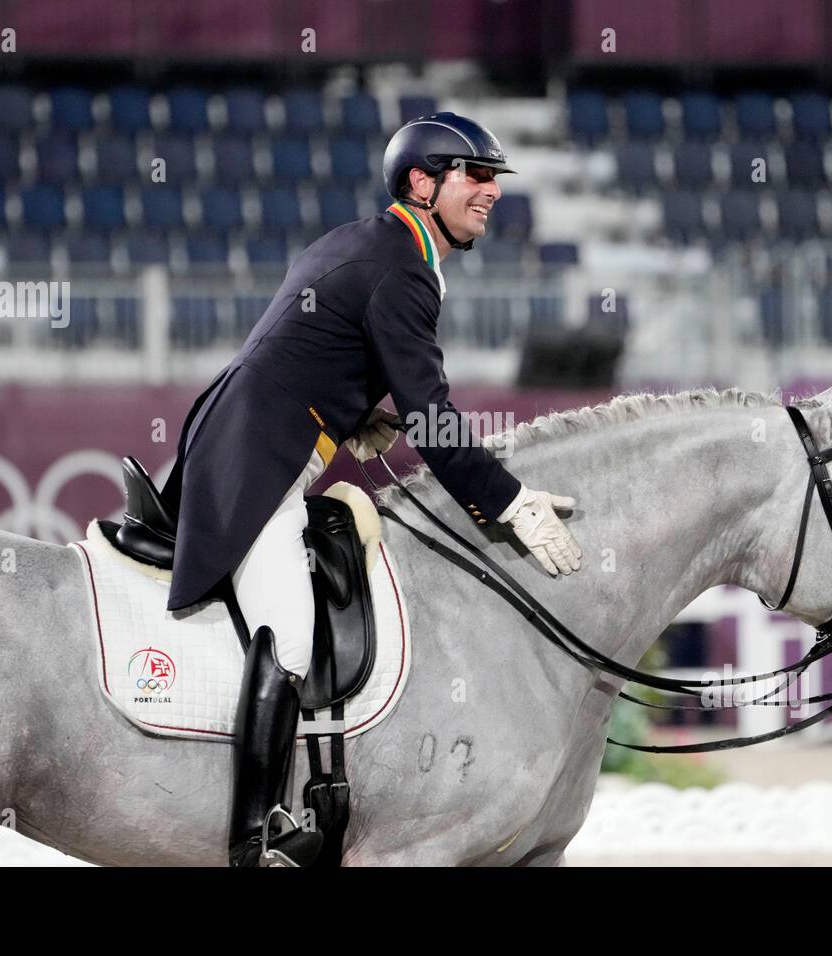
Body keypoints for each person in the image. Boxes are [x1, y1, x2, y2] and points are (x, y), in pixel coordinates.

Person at [161, 112, 583, 867]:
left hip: (260, 439)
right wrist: (512, 500)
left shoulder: (372, 241)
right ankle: (253, 840)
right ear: (423, 182)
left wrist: (354, 413)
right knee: (288, 635)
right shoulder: (403, 266)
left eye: (494, 179)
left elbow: (303, 347)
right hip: (255, 466)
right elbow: (435, 417)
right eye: (474, 176)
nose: (491, 192)